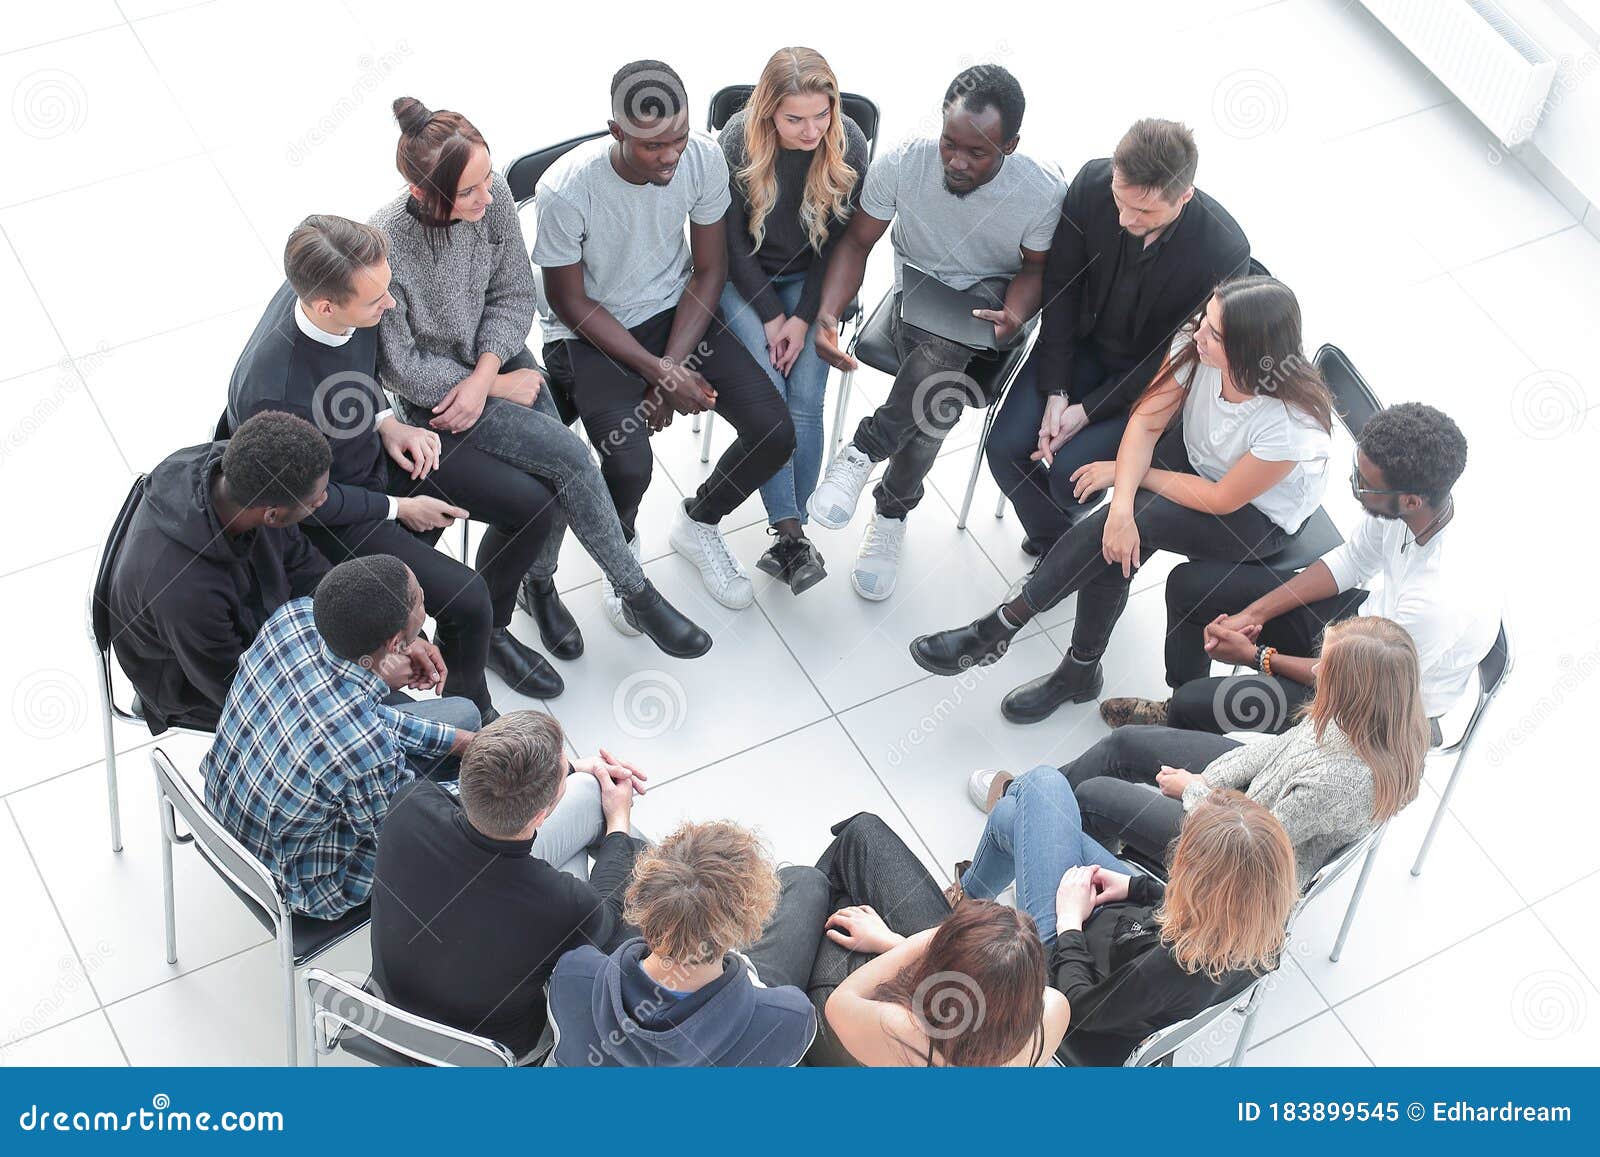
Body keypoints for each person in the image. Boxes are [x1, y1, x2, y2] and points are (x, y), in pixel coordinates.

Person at [372, 97, 710, 662]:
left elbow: (514, 294)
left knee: (559, 478)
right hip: (436, 401)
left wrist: (489, 371)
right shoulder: (386, 242)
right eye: (469, 191)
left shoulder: (495, 196)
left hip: (499, 361)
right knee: (571, 460)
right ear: (423, 193)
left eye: (488, 179)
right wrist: (490, 386)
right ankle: (636, 593)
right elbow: (400, 365)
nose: (489, 196)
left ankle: (540, 584)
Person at [912, 276, 1334, 725]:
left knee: (1138, 519)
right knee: (1118, 537)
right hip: (1195, 458)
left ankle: (1002, 626)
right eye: (1205, 320)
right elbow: (1147, 423)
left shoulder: (1291, 425)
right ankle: (1077, 669)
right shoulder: (1195, 343)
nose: (1199, 334)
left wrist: (1125, 479)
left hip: (1253, 517)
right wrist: (1119, 507)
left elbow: (1222, 497)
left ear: (1249, 350)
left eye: (1214, 333)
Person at [232, 215, 554, 716]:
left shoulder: (342, 296)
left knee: (534, 505)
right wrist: (398, 508)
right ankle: (469, 715)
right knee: (467, 596)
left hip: (377, 458)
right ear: (325, 305)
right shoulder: (272, 392)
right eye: (376, 299)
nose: (392, 304)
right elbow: (306, 505)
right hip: (337, 515)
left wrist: (386, 421)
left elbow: (357, 369)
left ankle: (485, 634)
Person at [535, 62, 796, 611]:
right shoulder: (566, 189)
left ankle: (700, 521)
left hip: (673, 312)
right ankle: (621, 550)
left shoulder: (701, 157)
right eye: (653, 145)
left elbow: (710, 270)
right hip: (590, 332)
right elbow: (569, 302)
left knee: (774, 431)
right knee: (630, 464)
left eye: (677, 138)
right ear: (616, 131)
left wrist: (670, 368)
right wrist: (659, 373)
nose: (670, 155)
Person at [805, 64, 1065, 601]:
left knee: (943, 365)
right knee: (939, 402)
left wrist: (1016, 313)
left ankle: (864, 451)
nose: (957, 161)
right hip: (918, 298)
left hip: (990, 309)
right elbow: (857, 243)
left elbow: (1036, 269)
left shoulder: (1040, 191)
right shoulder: (905, 162)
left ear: (1010, 145)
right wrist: (828, 313)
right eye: (950, 143)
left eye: (977, 153)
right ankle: (892, 512)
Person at [964, 616, 1428, 905]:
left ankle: (1053, 872)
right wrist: (1208, 779)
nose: (1316, 672)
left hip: (1232, 858)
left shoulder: (1340, 781)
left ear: (1354, 690)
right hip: (1248, 800)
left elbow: (1252, 846)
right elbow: (1276, 749)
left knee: (1094, 797)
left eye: (1328, 668)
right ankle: (1028, 802)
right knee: (1124, 745)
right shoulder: (1371, 718)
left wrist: (1195, 792)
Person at [1102, 403, 1496, 742]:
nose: (1354, 486)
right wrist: (1253, 614)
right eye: (1357, 471)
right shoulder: (1412, 512)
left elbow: (1353, 681)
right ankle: (1182, 718)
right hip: (1366, 629)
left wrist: (1257, 657)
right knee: (1189, 588)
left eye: (1365, 485)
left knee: (1200, 704)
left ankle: (1186, 723)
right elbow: (1352, 561)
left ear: (1410, 501)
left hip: (1377, 703)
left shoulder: (1438, 600)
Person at [987, 118, 1251, 558]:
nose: (1125, 219)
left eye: (1144, 212)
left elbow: (1179, 356)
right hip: (1076, 347)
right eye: (1120, 201)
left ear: (1184, 196)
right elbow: (1062, 288)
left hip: (1149, 380)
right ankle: (1062, 549)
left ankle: (1059, 548)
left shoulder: (1225, 250)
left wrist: (1089, 411)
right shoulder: (1092, 184)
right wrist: (1056, 391)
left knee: (1071, 479)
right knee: (1004, 448)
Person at [202, 555, 479, 920]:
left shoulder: (292, 618)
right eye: (420, 599)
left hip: (221, 814)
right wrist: (488, 777)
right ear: (395, 642)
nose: (424, 597)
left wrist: (467, 743)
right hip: (301, 884)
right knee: (469, 824)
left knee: (464, 718)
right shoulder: (365, 747)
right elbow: (405, 836)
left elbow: (348, 716)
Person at [371, 710, 645, 1059]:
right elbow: (606, 913)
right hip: (490, 1053)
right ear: (540, 815)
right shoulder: (562, 904)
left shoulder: (409, 803)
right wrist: (619, 819)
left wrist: (574, 769)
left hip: (387, 1016)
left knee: (589, 797)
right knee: (630, 882)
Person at [717, 47, 868, 593]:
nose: (811, 131)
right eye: (795, 119)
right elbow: (729, 244)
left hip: (811, 281)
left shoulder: (849, 142)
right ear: (768, 113)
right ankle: (792, 535)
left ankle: (790, 533)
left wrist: (803, 319)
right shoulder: (737, 140)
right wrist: (772, 315)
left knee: (806, 396)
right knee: (771, 397)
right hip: (745, 280)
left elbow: (840, 244)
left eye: (821, 115)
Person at [106, 411, 331, 734]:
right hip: (195, 684)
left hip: (237, 626)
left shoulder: (236, 468)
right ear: (271, 514)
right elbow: (240, 694)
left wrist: (362, 621)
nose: (323, 499)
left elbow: (302, 561)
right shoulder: (186, 593)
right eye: (315, 499)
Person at [546, 821, 830, 1067]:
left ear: (639, 898)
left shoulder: (573, 975)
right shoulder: (787, 1020)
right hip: (746, 1012)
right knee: (807, 880)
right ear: (750, 923)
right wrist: (745, 969)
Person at [1046, 790, 1296, 1065]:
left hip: (1071, 972)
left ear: (1194, 883)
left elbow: (1079, 1008)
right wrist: (1135, 886)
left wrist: (1068, 922)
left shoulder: (1166, 969)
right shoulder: (1267, 936)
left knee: (1043, 789)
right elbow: (1219, 911)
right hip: (1130, 932)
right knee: (1029, 807)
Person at [801, 813, 1070, 1066]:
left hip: (848, 1041)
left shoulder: (903, 1030)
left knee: (841, 907)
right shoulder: (1054, 1012)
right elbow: (989, 985)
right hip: (935, 1010)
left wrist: (938, 938)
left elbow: (840, 1003)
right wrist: (890, 941)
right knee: (864, 832)